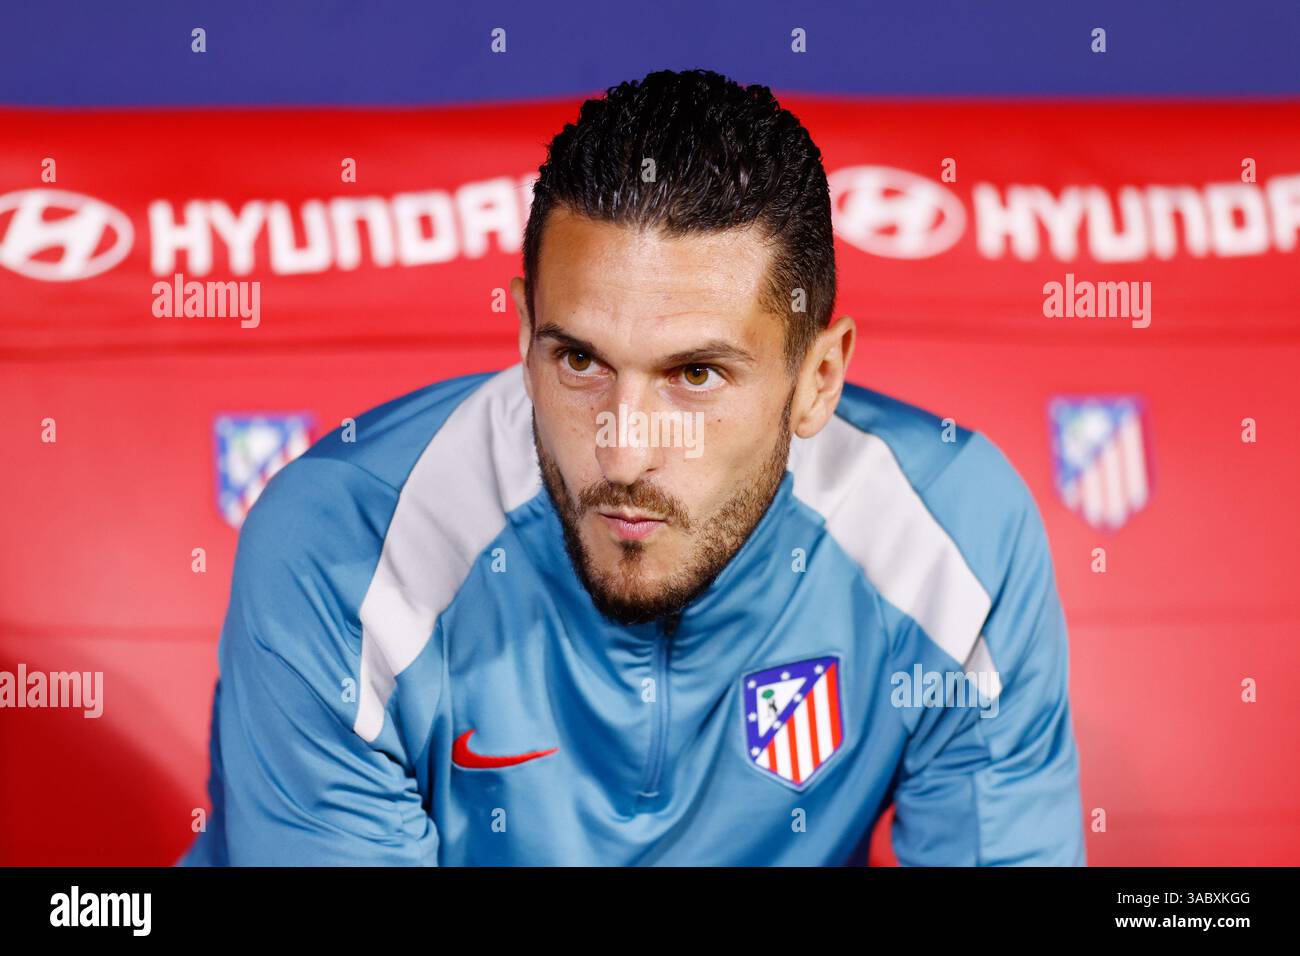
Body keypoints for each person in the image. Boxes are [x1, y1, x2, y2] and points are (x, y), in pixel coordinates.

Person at [179, 68, 1085, 866]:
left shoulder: (950, 538)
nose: (624, 448)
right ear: (524, 331)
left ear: (818, 379)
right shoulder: (345, 543)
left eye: (696, 375)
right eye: (578, 362)